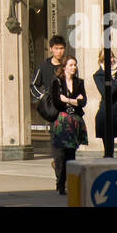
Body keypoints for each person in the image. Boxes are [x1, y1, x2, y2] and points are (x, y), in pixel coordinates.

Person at [49, 57, 87, 194]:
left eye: (75, 65)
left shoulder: (79, 82)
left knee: (71, 155)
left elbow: (83, 102)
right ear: (64, 67)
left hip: (75, 122)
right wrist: (75, 101)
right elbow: (57, 103)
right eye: (71, 65)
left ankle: (70, 184)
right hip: (62, 122)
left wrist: (68, 100)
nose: (74, 67)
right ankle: (60, 183)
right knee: (61, 156)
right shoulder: (57, 82)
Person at [92, 58, 117, 157]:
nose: (110, 59)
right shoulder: (98, 75)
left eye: (112, 56)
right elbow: (106, 93)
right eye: (107, 57)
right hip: (107, 112)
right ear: (101, 61)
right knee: (109, 152)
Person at [31, 36, 68, 108]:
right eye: (56, 48)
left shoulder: (69, 65)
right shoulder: (44, 66)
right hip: (51, 107)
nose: (59, 51)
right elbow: (33, 86)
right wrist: (42, 97)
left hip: (67, 105)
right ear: (51, 49)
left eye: (61, 48)